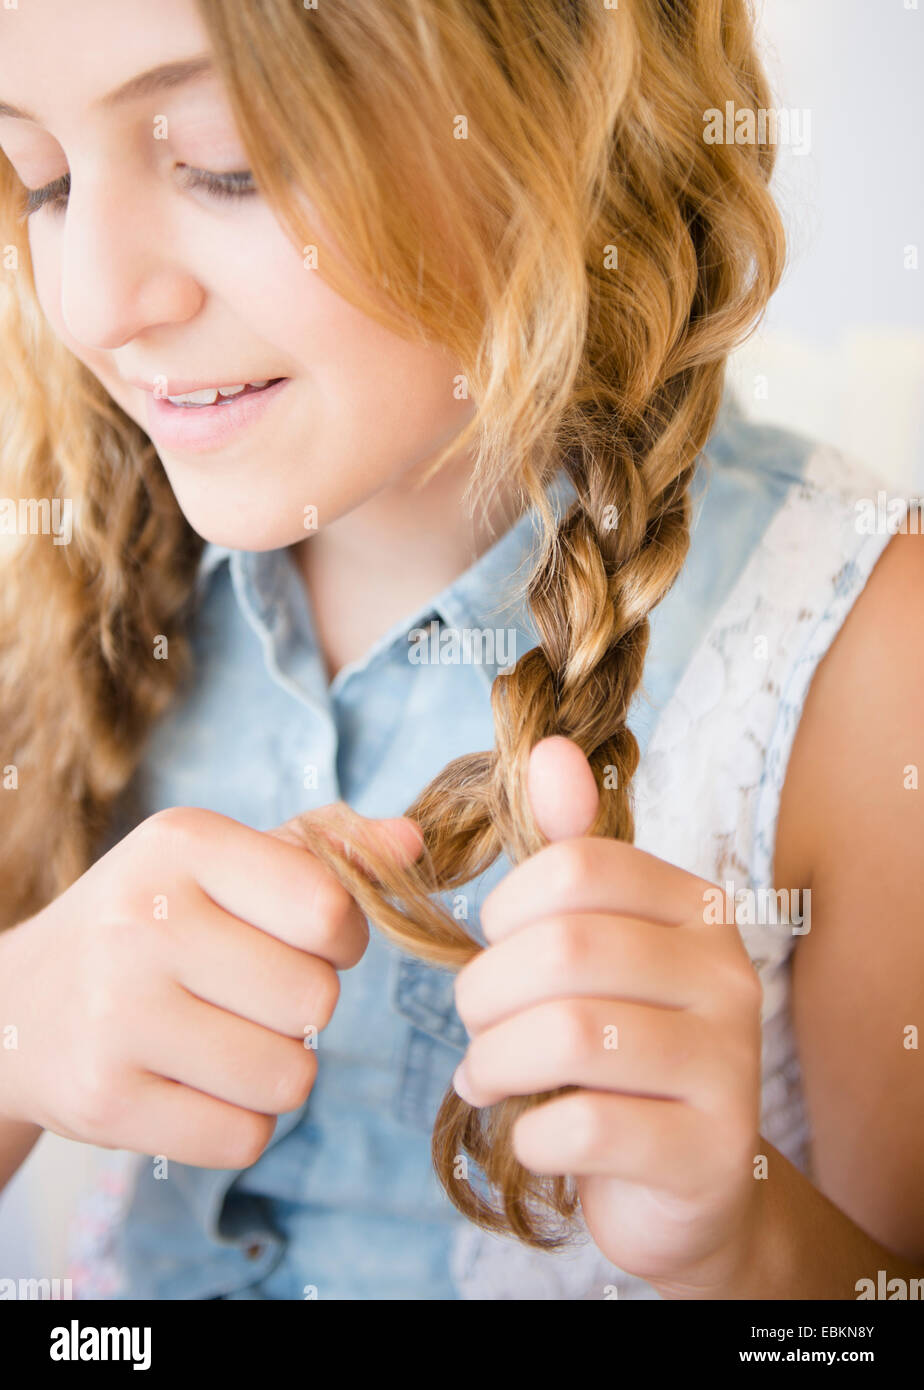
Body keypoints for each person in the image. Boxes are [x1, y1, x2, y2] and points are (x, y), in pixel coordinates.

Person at [0, 0, 920, 1301]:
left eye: (226, 161)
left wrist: (747, 1241)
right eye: (40, 176)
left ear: (547, 112)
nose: (93, 300)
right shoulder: (54, 573)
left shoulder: (858, 649)